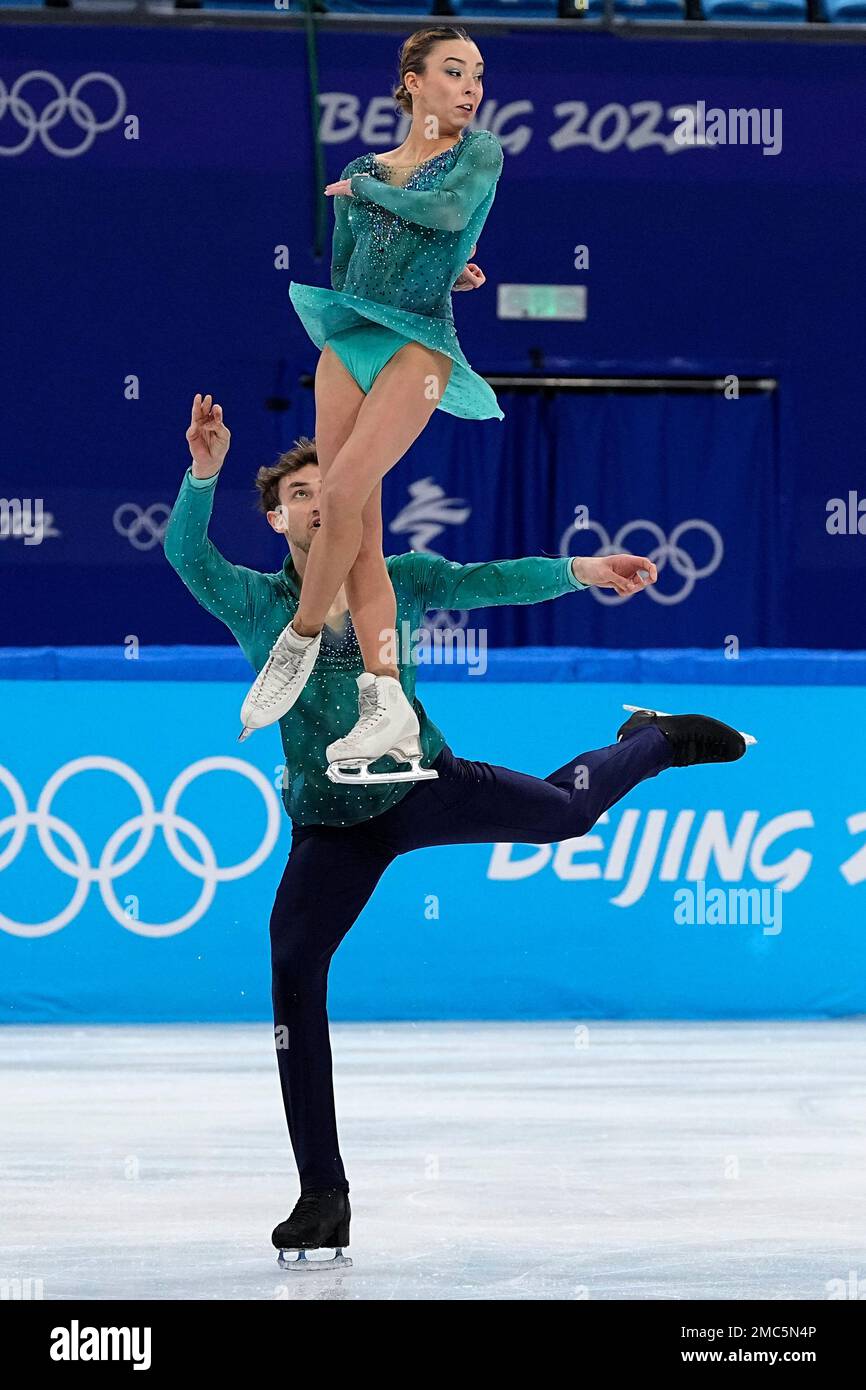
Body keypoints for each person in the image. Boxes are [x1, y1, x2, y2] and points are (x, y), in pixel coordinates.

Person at [164, 395, 752, 1269]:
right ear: (277, 514)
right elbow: (183, 551)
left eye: (332, 486)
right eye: (300, 492)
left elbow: (486, 579)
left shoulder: (389, 577)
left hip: (421, 783)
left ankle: (655, 739)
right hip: (333, 826)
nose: (320, 500)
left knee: (565, 814)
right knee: (292, 971)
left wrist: (582, 570)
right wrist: (202, 471)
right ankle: (323, 1193)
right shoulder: (256, 605)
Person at [238, 27, 508, 787]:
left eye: (478, 75)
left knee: (340, 491)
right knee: (361, 535)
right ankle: (385, 699)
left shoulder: (478, 152)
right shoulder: (362, 166)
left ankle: (297, 643)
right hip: (349, 340)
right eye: (453, 72)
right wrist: (442, 267)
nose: (470, 87)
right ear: (412, 83)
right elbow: (356, 270)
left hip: (418, 348)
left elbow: (452, 212)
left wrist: (383, 206)